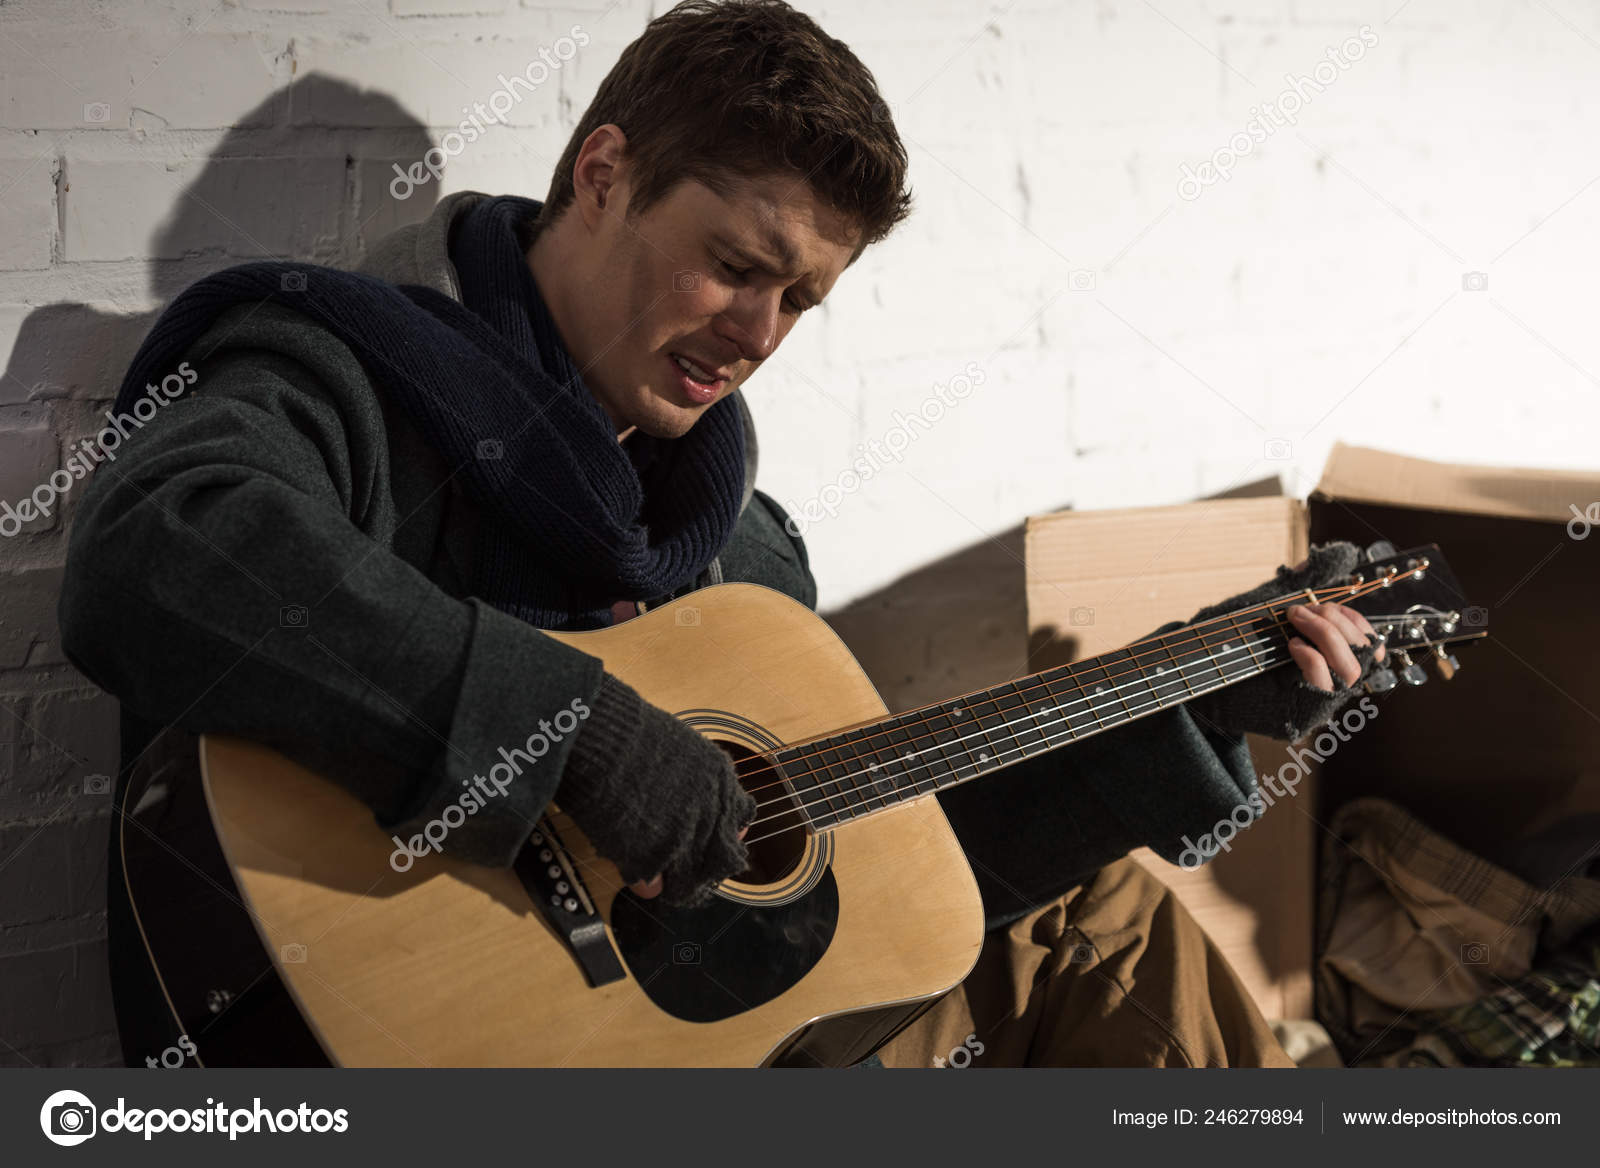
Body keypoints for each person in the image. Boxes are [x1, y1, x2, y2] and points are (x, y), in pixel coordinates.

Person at [58, 0, 1383, 1069]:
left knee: (1109, 918)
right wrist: (572, 727)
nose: (758, 338)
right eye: (736, 266)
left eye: (801, 298)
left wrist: (1193, 697)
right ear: (603, 171)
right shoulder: (351, 375)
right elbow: (157, 551)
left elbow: (882, 900)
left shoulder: (739, 552)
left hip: (705, 1045)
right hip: (379, 1050)